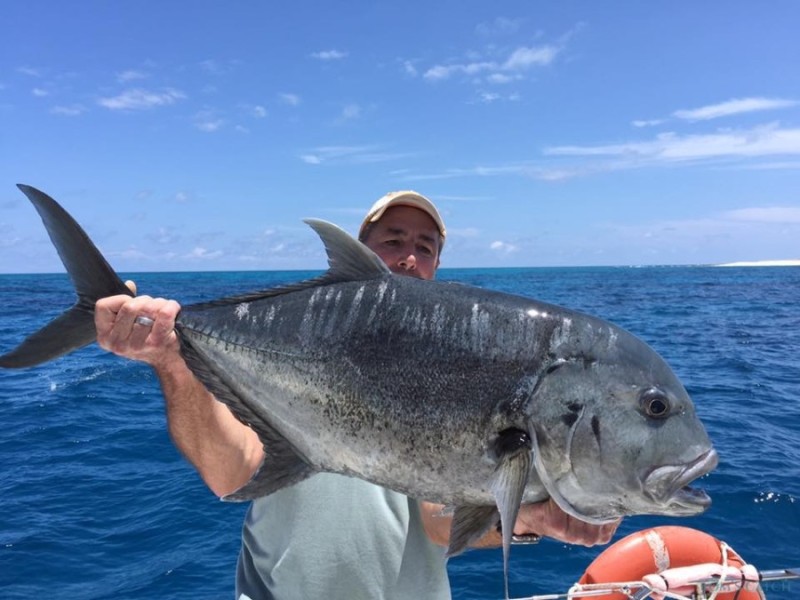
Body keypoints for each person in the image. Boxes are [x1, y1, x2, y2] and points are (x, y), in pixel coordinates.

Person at [95, 191, 619, 599]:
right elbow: (234, 471)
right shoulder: (299, 340)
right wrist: (169, 356)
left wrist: (531, 516)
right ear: (362, 253)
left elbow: (437, 522)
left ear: (438, 266)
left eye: (425, 247)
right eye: (393, 241)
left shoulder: (453, 381)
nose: (410, 257)